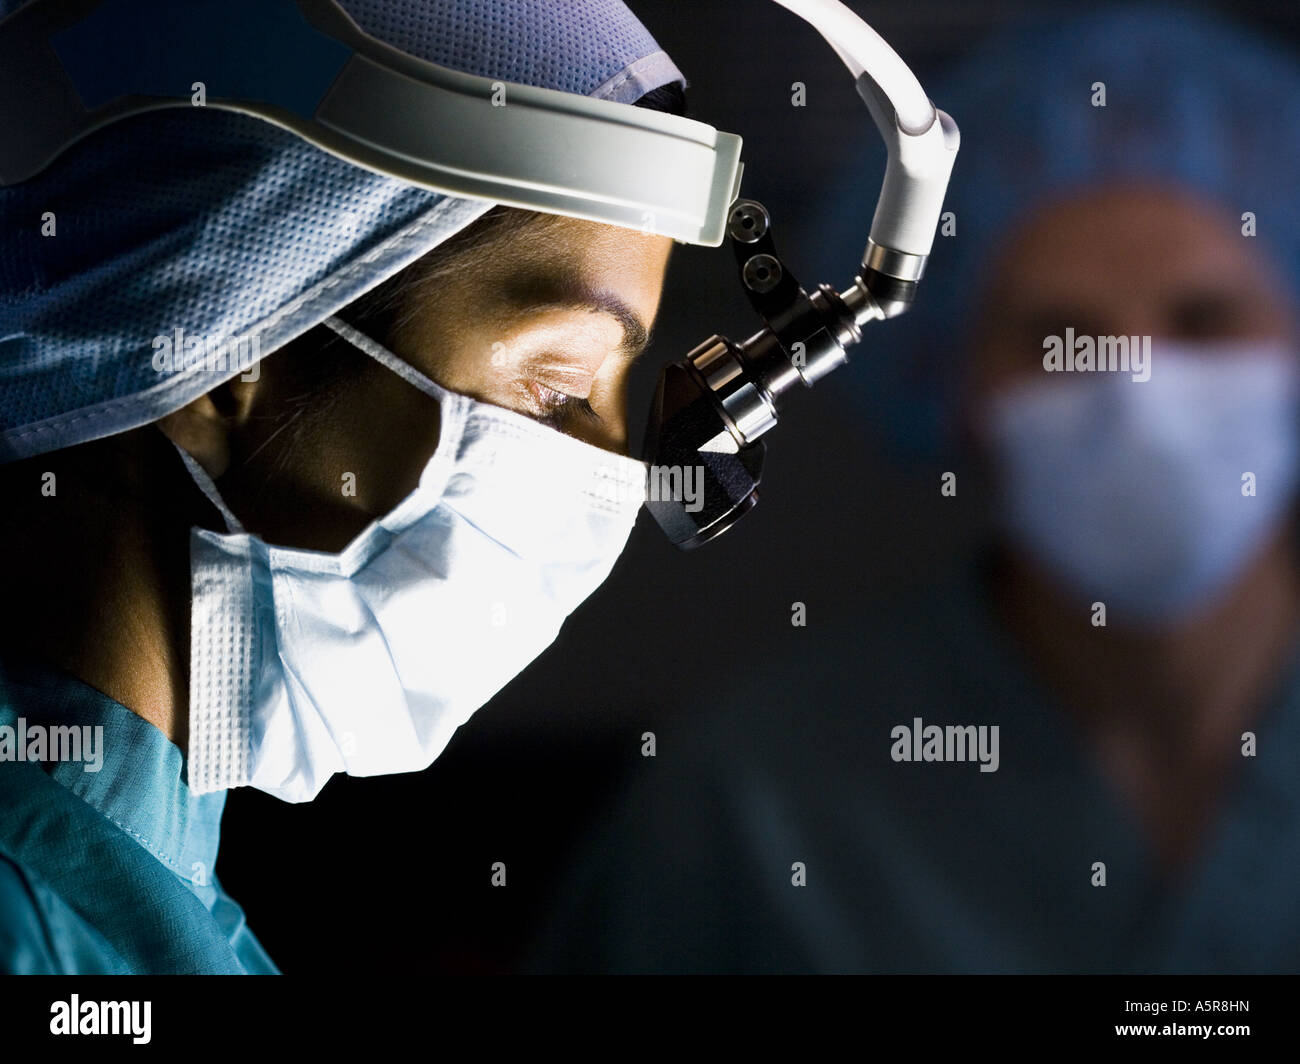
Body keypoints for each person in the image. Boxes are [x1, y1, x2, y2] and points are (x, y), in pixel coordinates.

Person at [525, 6, 1300, 973]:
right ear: (954, 384)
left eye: (1205, 319)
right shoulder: (766, 804)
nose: (1134, 391)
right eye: (1060, 336)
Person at [0, 0, 691, 974]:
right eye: (559, 388)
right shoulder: (31, 923)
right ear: (233, 362)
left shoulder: (153, 895)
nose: (616, 473)